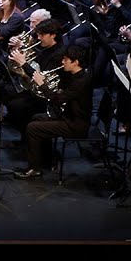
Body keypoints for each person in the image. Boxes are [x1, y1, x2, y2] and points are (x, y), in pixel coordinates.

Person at [15, 45, 93, 179]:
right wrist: (26, 66)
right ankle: (46, 159)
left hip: (75, 125)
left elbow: (57, 100)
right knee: (37, 118)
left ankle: (34, 168)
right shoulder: (74, 74)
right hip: (67, 117)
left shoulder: (80, 82)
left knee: (32, 128)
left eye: (65, 59)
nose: (62, 62)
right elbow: (45, 79)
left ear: (75, 62)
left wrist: (42, 85)